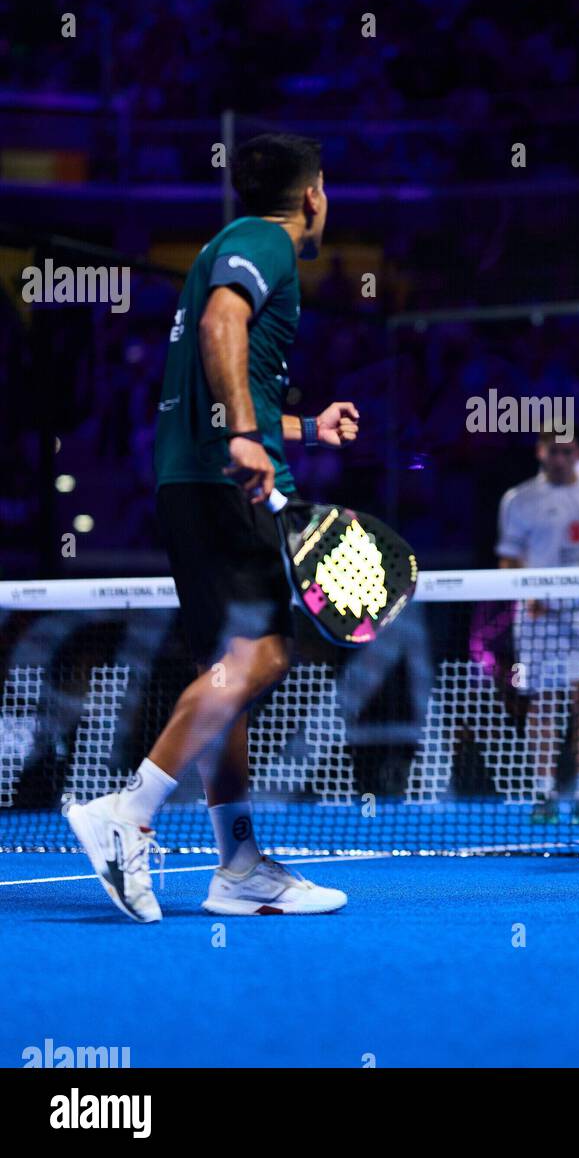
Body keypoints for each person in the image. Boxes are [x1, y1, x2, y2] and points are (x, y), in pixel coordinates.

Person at [68, 133, 360, 921]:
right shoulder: (265, 240)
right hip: (220, 484)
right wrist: (243, 435)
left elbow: (225, 371)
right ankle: (127, 814)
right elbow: (221, 327)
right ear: (314, 195)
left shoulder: (226, 241)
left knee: (225, 676)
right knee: (264, 655)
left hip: (189, 482)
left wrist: (300, 427)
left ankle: (237, 867)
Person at [496, 434, 579, 825]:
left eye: (568, 451)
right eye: (553, 451)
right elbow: (508, 559)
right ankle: (544, 793)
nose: (561, 459)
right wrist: (527, 593)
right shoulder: (518, 499)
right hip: (540, 613)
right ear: (541, 453)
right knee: (545, 701)